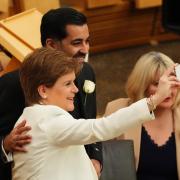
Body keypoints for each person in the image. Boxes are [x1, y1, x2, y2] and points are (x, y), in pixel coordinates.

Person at [12, 47, 179, 180]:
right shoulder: (48, 121)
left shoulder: (36, 118)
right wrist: (154, 100)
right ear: (43, 90)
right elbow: (102, 128)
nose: (76, 89)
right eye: (68, 83)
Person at [0, 7, 102, 180]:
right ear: (51, 45)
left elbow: (91, 123)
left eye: (87, 41)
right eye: (77, 43)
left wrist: (97, 160)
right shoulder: (14, 84)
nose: (85, 50)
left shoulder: (87, 73)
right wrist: (5, 144)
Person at [105, 51, 180, 180]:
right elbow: (102, 164)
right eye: (158, 84)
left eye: (171, 82)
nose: (167, 90)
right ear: (142, 86)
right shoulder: (117, 109)